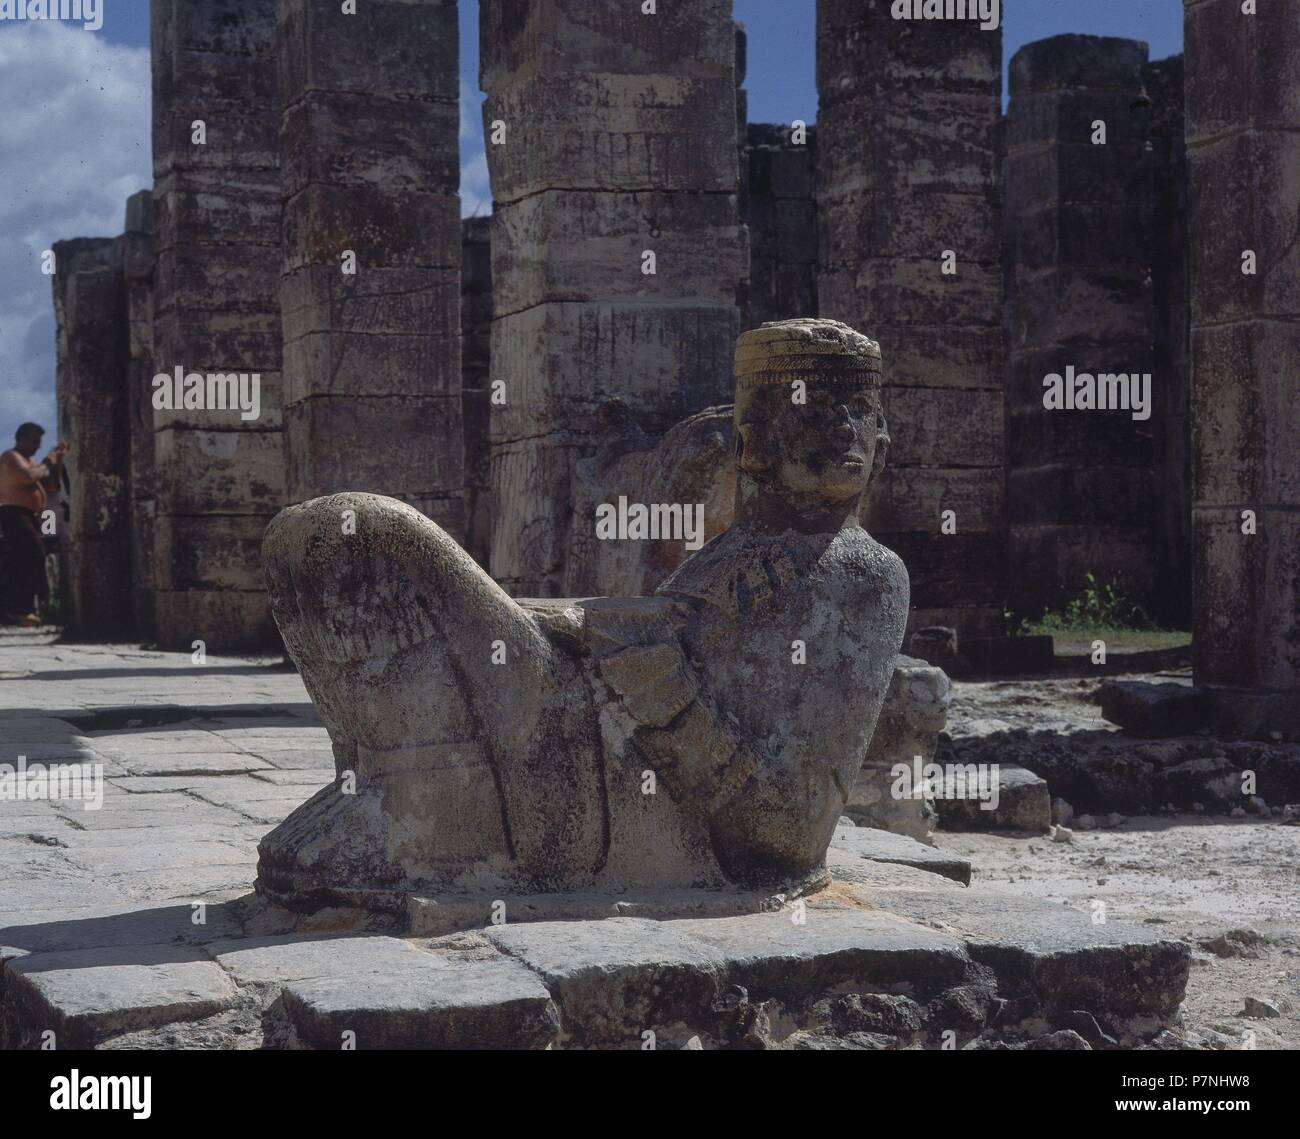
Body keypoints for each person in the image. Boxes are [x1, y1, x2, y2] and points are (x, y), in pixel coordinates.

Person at [0, 423, 65, 626]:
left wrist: (58, 460)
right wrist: (47, 461)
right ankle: (19, 609)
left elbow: (52, 485)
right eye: (35, 441)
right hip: (13, 513)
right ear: (22, 439)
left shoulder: (31, 461)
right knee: (34, 552)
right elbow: (28, 477)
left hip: (32, 515)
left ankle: (16, 609)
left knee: (23, 559)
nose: (38, 446)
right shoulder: (11, 457)